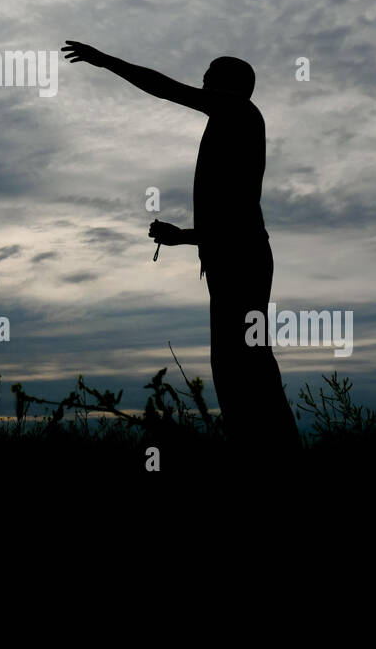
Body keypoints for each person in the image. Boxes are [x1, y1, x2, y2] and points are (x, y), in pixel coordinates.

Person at [60, 42, 299, 463]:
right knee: (235, 364)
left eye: (210, 74)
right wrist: (183, 237)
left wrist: (107, 60)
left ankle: (273, 456)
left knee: (247, 364)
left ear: (230, 85)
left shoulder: (238, 112)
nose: (202, 80)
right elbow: (229, 217)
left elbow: (166, 88)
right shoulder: (234, 120)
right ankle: (258, 451)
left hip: (241, 259)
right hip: (234, 255)